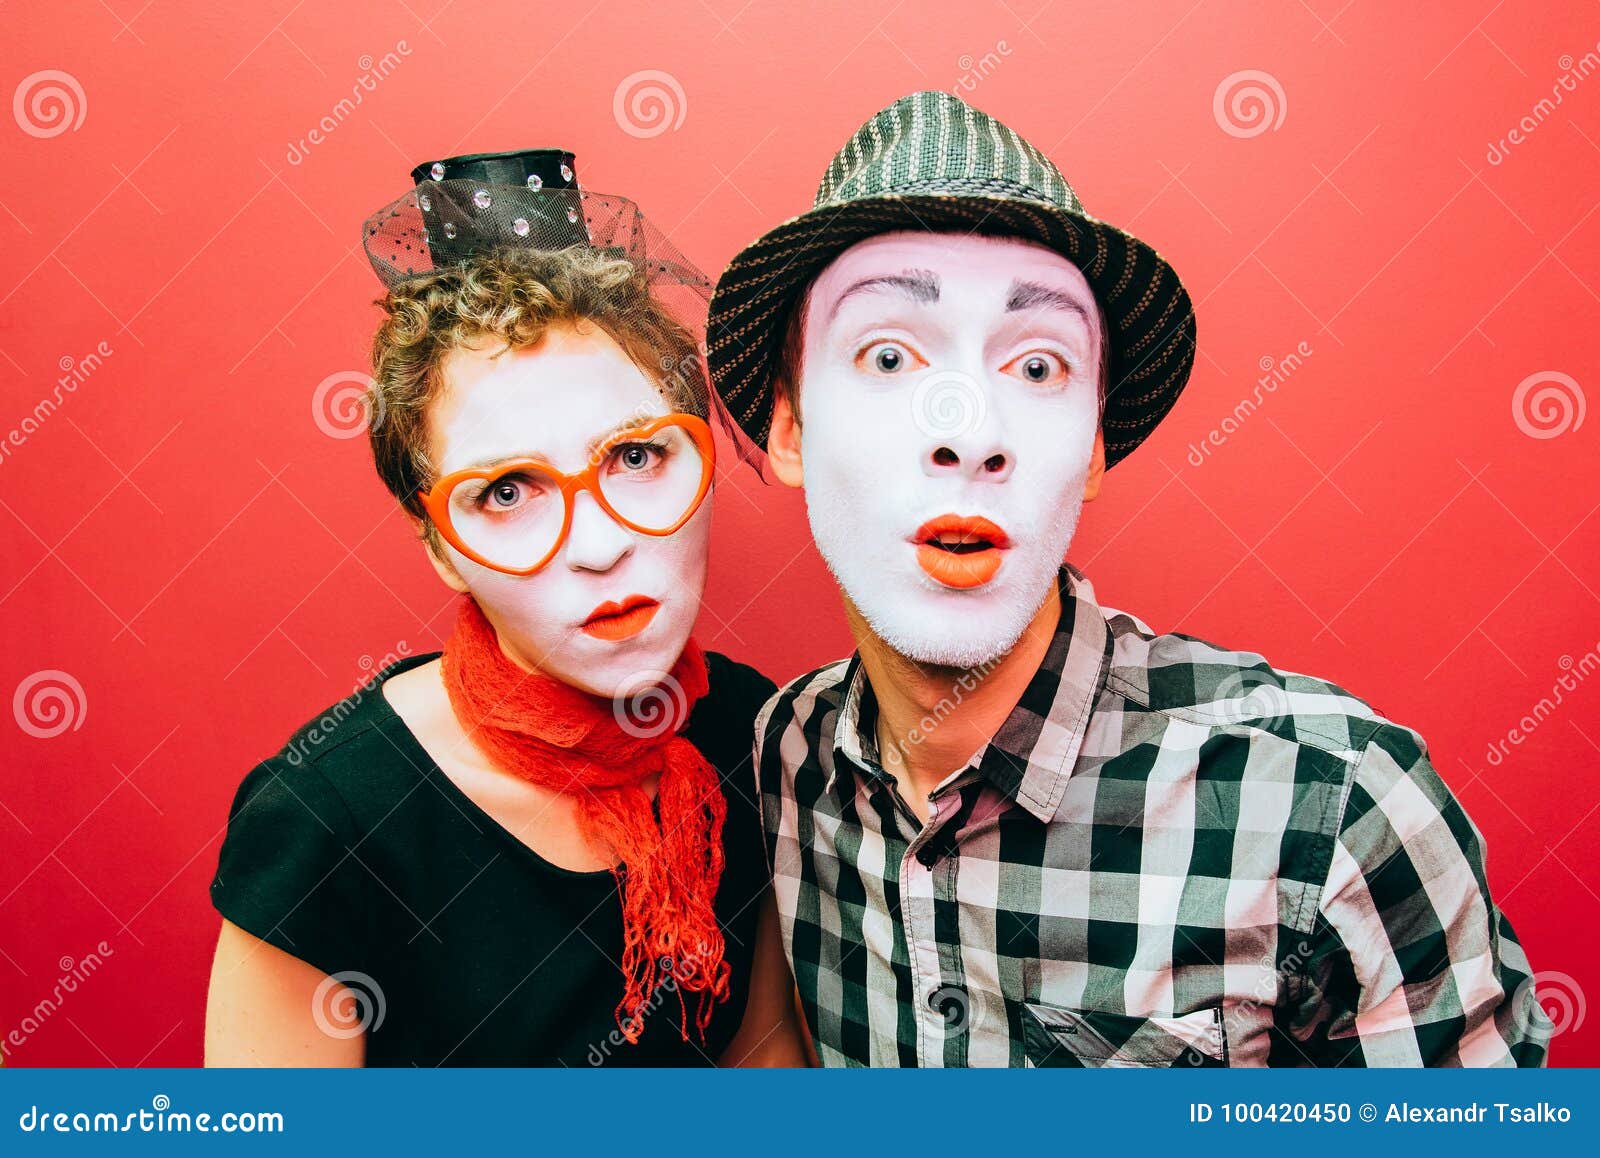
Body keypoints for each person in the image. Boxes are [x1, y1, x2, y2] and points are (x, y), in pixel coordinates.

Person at [707, 91, 1553, 1067]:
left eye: (1038, 368)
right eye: (888, 354)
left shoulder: (1334, 803)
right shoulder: (785, 752)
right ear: (788, 430)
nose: (970, 435)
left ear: (1095, 448)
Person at [205, 149, 808, 1067]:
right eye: (507, 491)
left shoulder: (748, 731)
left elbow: (762, 1064)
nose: (598, 545)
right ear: (441, 546)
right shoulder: (327, 823)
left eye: (636, 456)